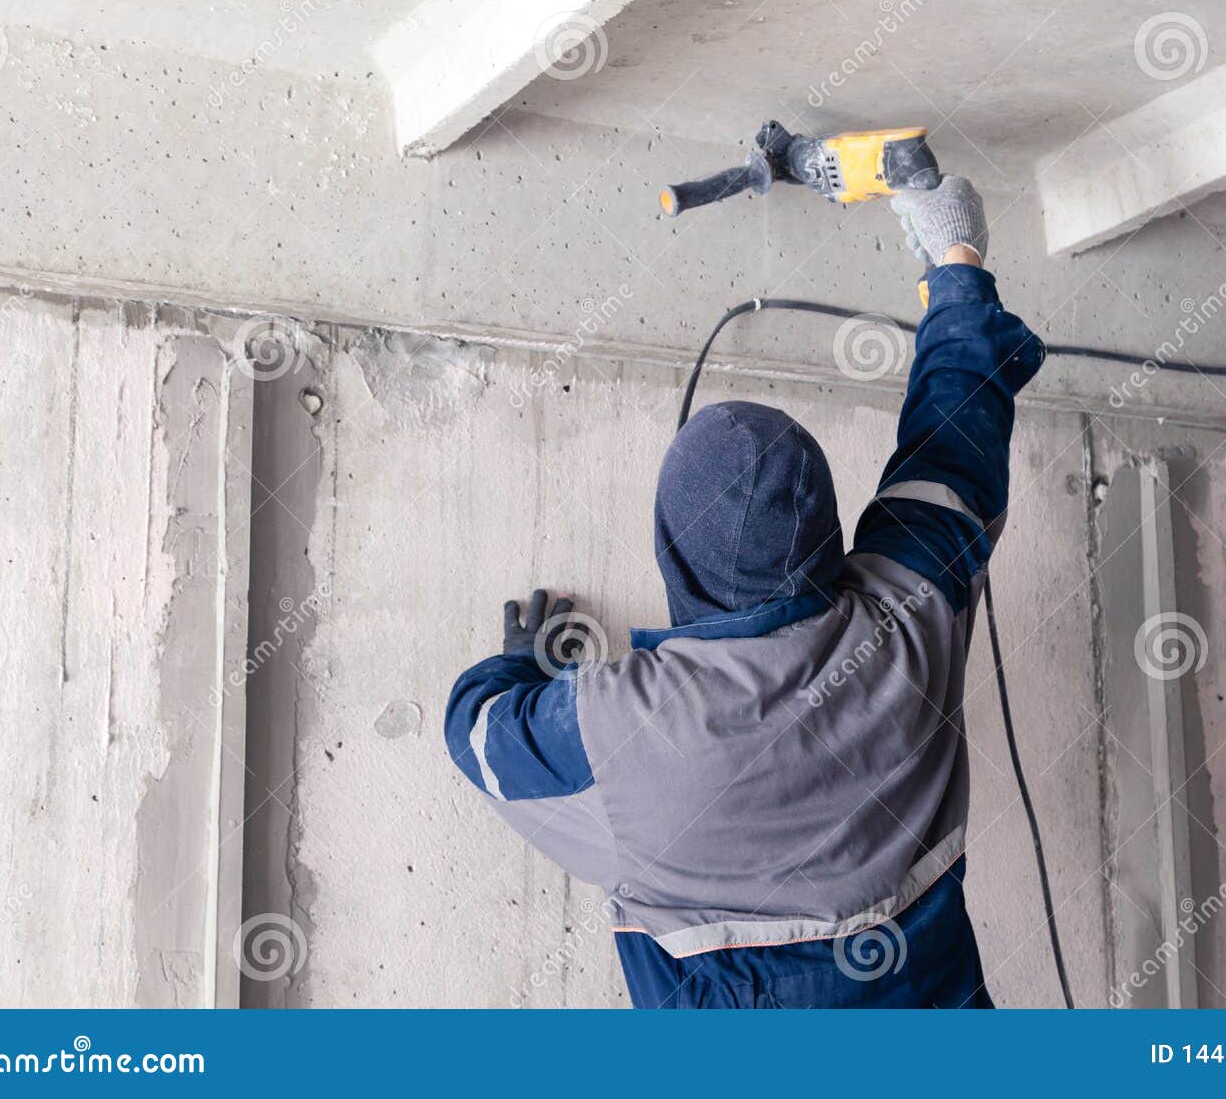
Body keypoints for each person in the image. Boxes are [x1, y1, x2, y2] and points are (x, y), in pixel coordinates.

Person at [444, 176, 1045, 1008]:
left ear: (673, 553)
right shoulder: (909, 616)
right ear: (828, 532)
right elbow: (955, 443)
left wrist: (519, 669)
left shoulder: (616, 725)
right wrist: (957, 262)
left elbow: (479, 737)